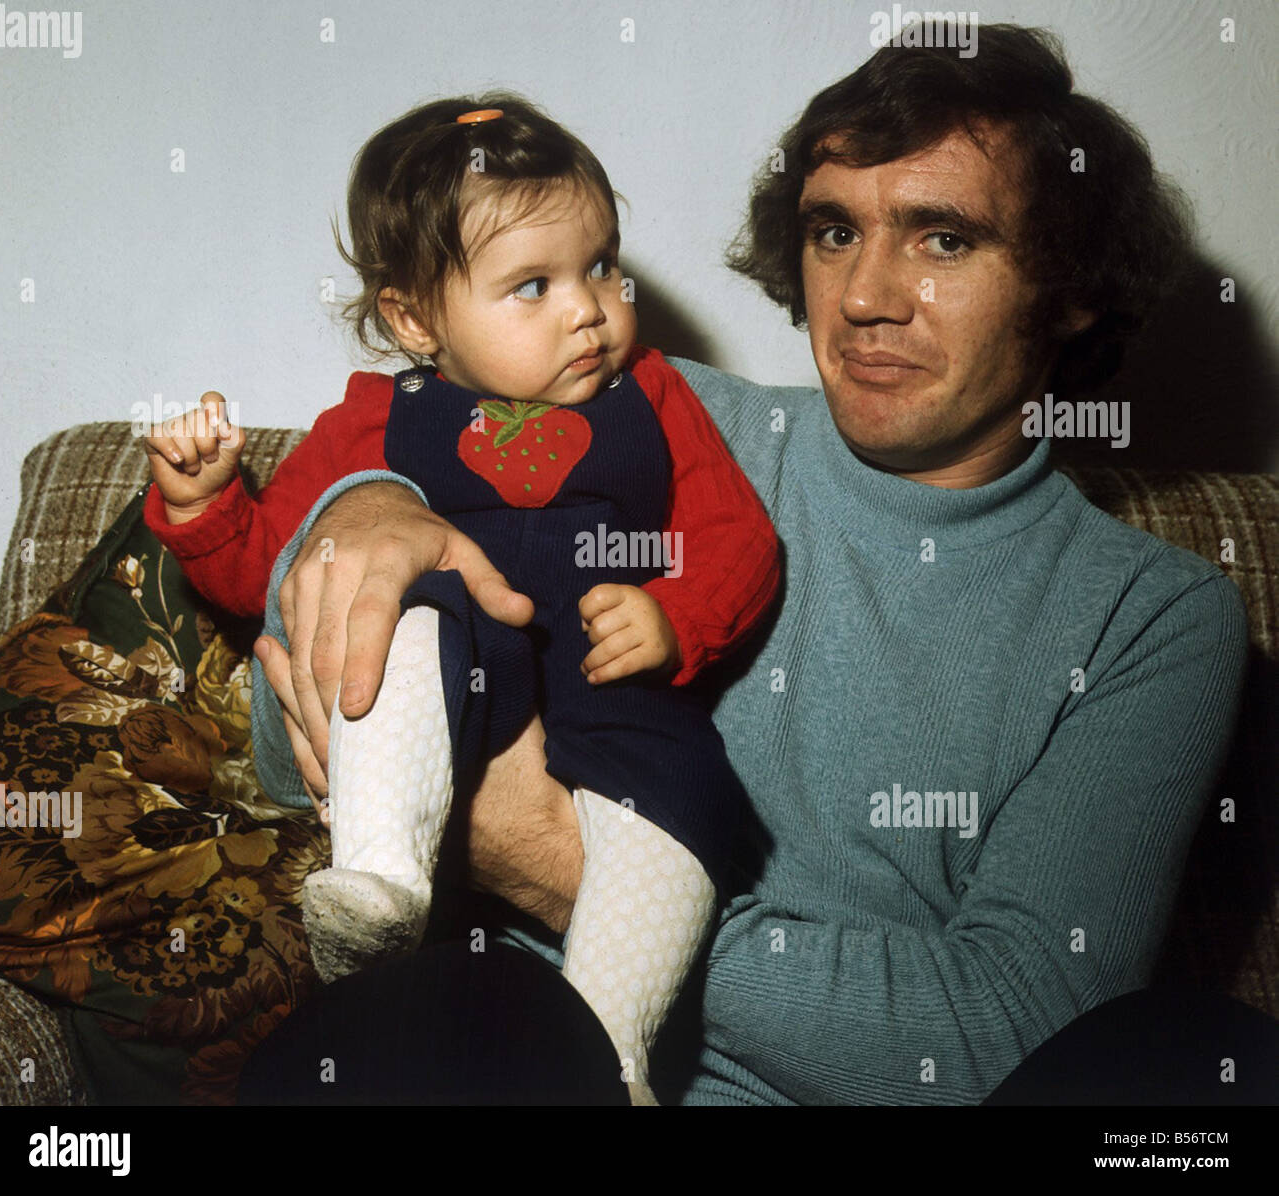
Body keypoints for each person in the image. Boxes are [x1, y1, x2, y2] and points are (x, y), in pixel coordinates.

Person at [245, 23, 1251, 1104]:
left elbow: (1002, 1037)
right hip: (498, 1053)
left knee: (1212, 1069)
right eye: (832, 232)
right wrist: (366, 508)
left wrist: (565, 862)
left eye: (942, 239)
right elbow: (277, 742)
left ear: (1072, 285)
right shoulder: (650, 413)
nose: (866, 294)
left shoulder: (1153, 618)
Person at [141, 95, 780, 1105]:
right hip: (461, 673)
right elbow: (275, 573)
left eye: (602, 265)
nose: (590, 308)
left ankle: (613, 1050)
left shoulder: (652, 395)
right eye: (532, 284)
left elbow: (738, 536)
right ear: (414, 317)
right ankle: (381, 871)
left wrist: (678, 619)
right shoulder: (371, 421)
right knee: (398, 624)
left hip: (611, 680)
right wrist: (207, 504)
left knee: (676, 800)